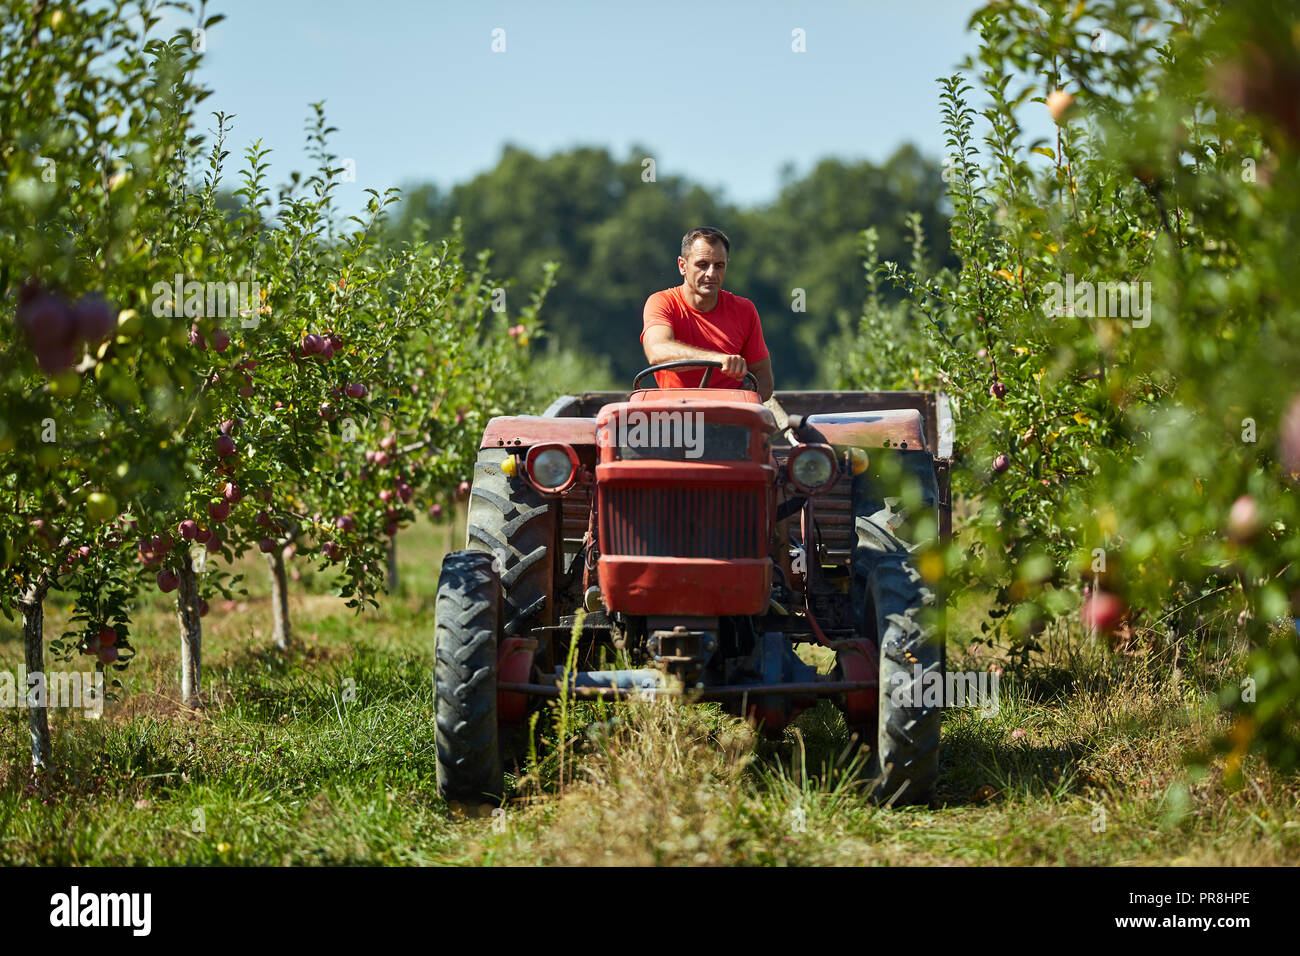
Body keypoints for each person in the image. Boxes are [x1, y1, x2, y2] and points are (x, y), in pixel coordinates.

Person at [640, 226, 774, 401]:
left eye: (719, 266)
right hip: (677, 417)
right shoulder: (662, 302)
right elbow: (657, 351)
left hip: (731, 419)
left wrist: (740, 404)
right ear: (682, 266)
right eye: (702, 265)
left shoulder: (744, 310)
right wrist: (717, 359)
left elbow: (764, 378)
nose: (711, 273)